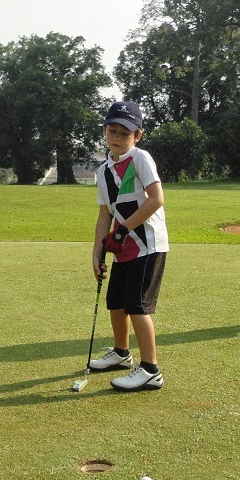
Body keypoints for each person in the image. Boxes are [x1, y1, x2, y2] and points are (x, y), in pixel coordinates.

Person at [88, 101, 168, 391]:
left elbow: (156, 199)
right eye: (113, 130)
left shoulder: (140, 159)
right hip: (124, 249)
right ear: (105, 131)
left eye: (125, 132)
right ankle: (121, 354)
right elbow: (103, 214)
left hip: (148, 245)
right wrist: (97, 251)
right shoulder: (105, 170)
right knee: (117, 302)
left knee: (137, 306)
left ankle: (150, 369)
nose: (117, 137)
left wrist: (122, 231)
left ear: (137, 136)